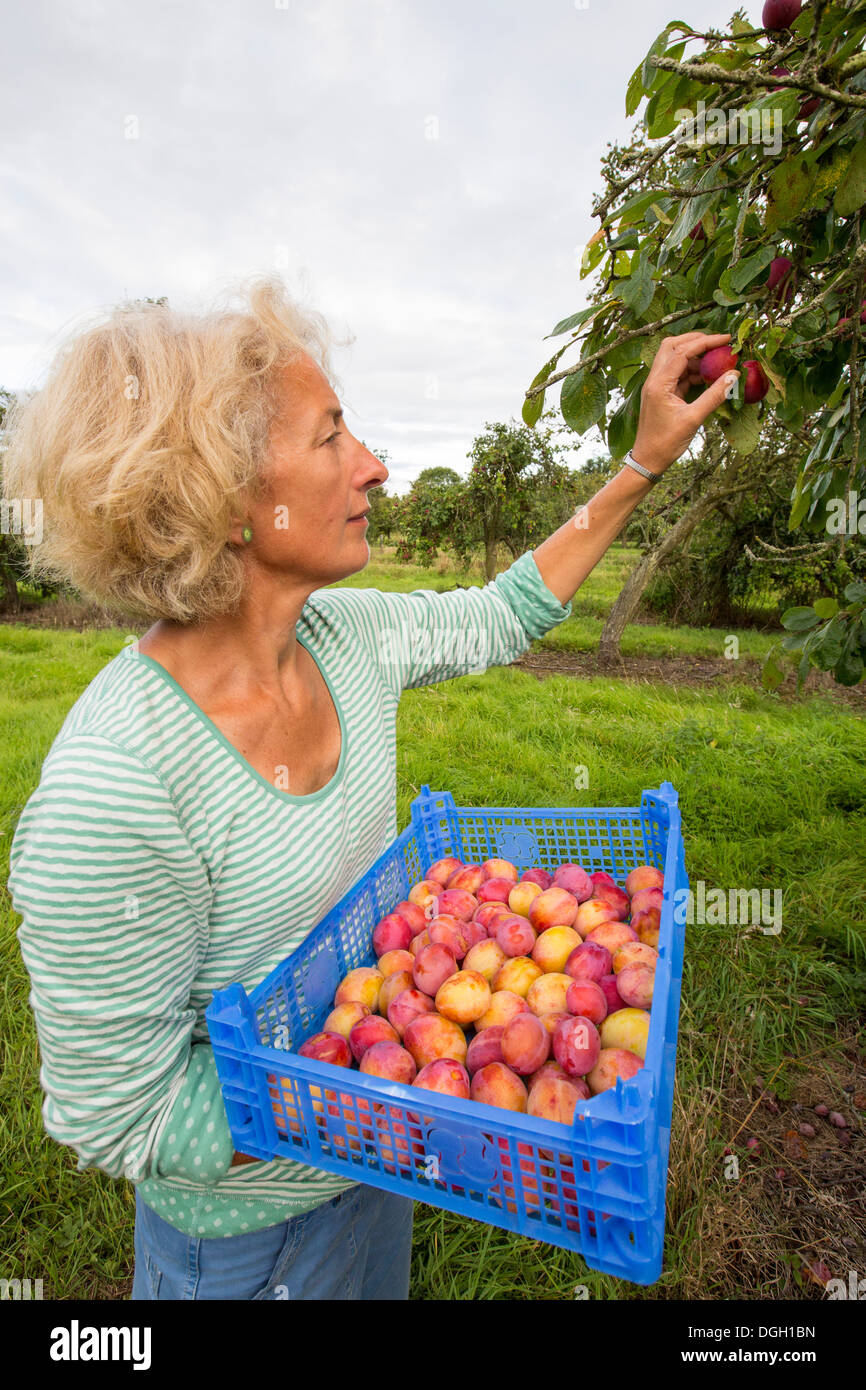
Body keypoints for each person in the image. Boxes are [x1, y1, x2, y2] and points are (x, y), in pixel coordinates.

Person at [3, 277, 736, 1299]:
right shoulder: (116, 785)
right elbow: (115, 1111)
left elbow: (501, 612)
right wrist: (356, 1100)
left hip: (379, 1166)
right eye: (330, 438)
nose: (376, 468)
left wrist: (641, 460)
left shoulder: (346, 638)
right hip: (247, 1245)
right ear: (221, 499)